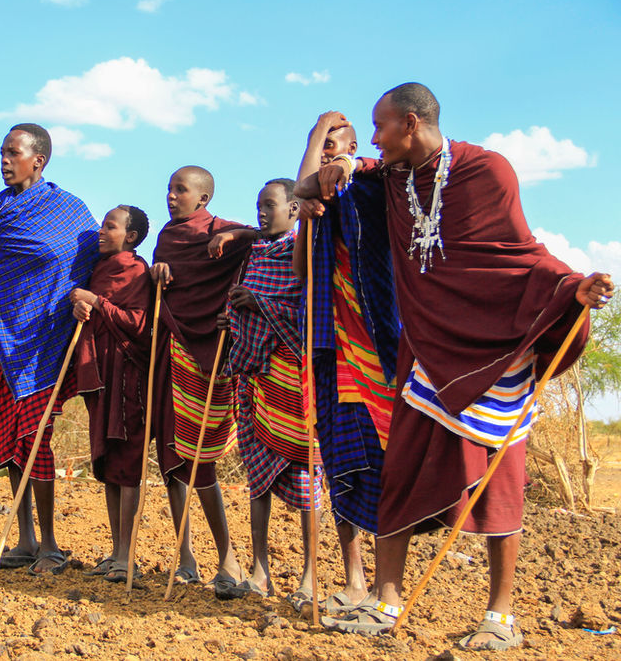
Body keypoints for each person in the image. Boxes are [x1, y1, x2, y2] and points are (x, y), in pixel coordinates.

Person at [300, 82, 614, 650]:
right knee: (400, 472)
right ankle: (387, 602)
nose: (375, 138)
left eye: (380, 127)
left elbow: (520, 253)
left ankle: (500, 616)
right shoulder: (390, 179)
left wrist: (572, 288)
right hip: (426, 351)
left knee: (500, 482)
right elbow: (306, 190)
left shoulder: (486, 171)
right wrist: (340, 162)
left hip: (495, 349)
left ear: (411, 124)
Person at [0, 123, 99, 575]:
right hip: (0, 338)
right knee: (8, 438)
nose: (4, 160)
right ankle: (24, 540)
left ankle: (51, 545)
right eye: (1, 152)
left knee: (36, 438)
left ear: (38, 160)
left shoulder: (70, 211)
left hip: (44, 341)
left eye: (13, 153)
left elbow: (86, 266)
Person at [291, 112, 401, 613]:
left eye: (333, 146)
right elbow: (300, 269)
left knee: (382, 463)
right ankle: (354, 578)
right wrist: (308, 218)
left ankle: (385, 585)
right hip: (328, 347)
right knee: (339, 464)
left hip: (374, 347)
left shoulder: (371, 184)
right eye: (320, 147)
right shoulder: (314, 209)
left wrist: (329, 154)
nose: (325, 155)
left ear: (355, 149)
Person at [216, 178, 323, 605]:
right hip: (254, 381)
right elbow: (243, 303)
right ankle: (260, 570)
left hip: (291, 380)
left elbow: (309, 312)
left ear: (294, 209)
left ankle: (310, 576)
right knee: (256, 477)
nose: (261, 212)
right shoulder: (256, 254)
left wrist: (258, 304)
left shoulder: (302, 253)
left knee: (305, 476)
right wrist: (234, 317)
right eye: (258, 205)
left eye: (269, 205)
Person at [149, 165, 255, 590]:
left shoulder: (223, 231)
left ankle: (229, 559)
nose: (171, 196)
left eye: (181, 190)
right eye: (169, 189)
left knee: (201, 461)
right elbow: (163, 284)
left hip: (210, 357)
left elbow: (267, 236)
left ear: (203, 198)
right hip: (172, 350)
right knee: (173, 458)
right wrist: (158, 271)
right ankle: (185, 557)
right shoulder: (167, 237)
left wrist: (236, 235)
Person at [70, 205, 152, 583]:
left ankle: (127, 555)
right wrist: (82, 308)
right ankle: (116, 550)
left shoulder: (136, 271)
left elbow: (139, 324)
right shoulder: (100, 268)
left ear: (130, 237)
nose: (101, 232)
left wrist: (97, 302)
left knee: (127, 463)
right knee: (107, 461)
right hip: (101, 374)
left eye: (110, 226)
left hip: (128, 377)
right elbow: (96, 313)